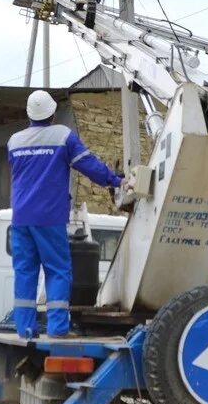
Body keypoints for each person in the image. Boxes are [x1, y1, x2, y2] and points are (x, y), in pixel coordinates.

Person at [7, 90, 123, 339]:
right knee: (58, 270)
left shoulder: (14, 141)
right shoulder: (62, 136)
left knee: (25, 273)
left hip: (20, 220)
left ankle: (25, 329)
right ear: (52, 113)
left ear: (29, 113)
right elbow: (88, 164)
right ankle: (58, 328)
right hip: (49, 217)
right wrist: (115, 181)